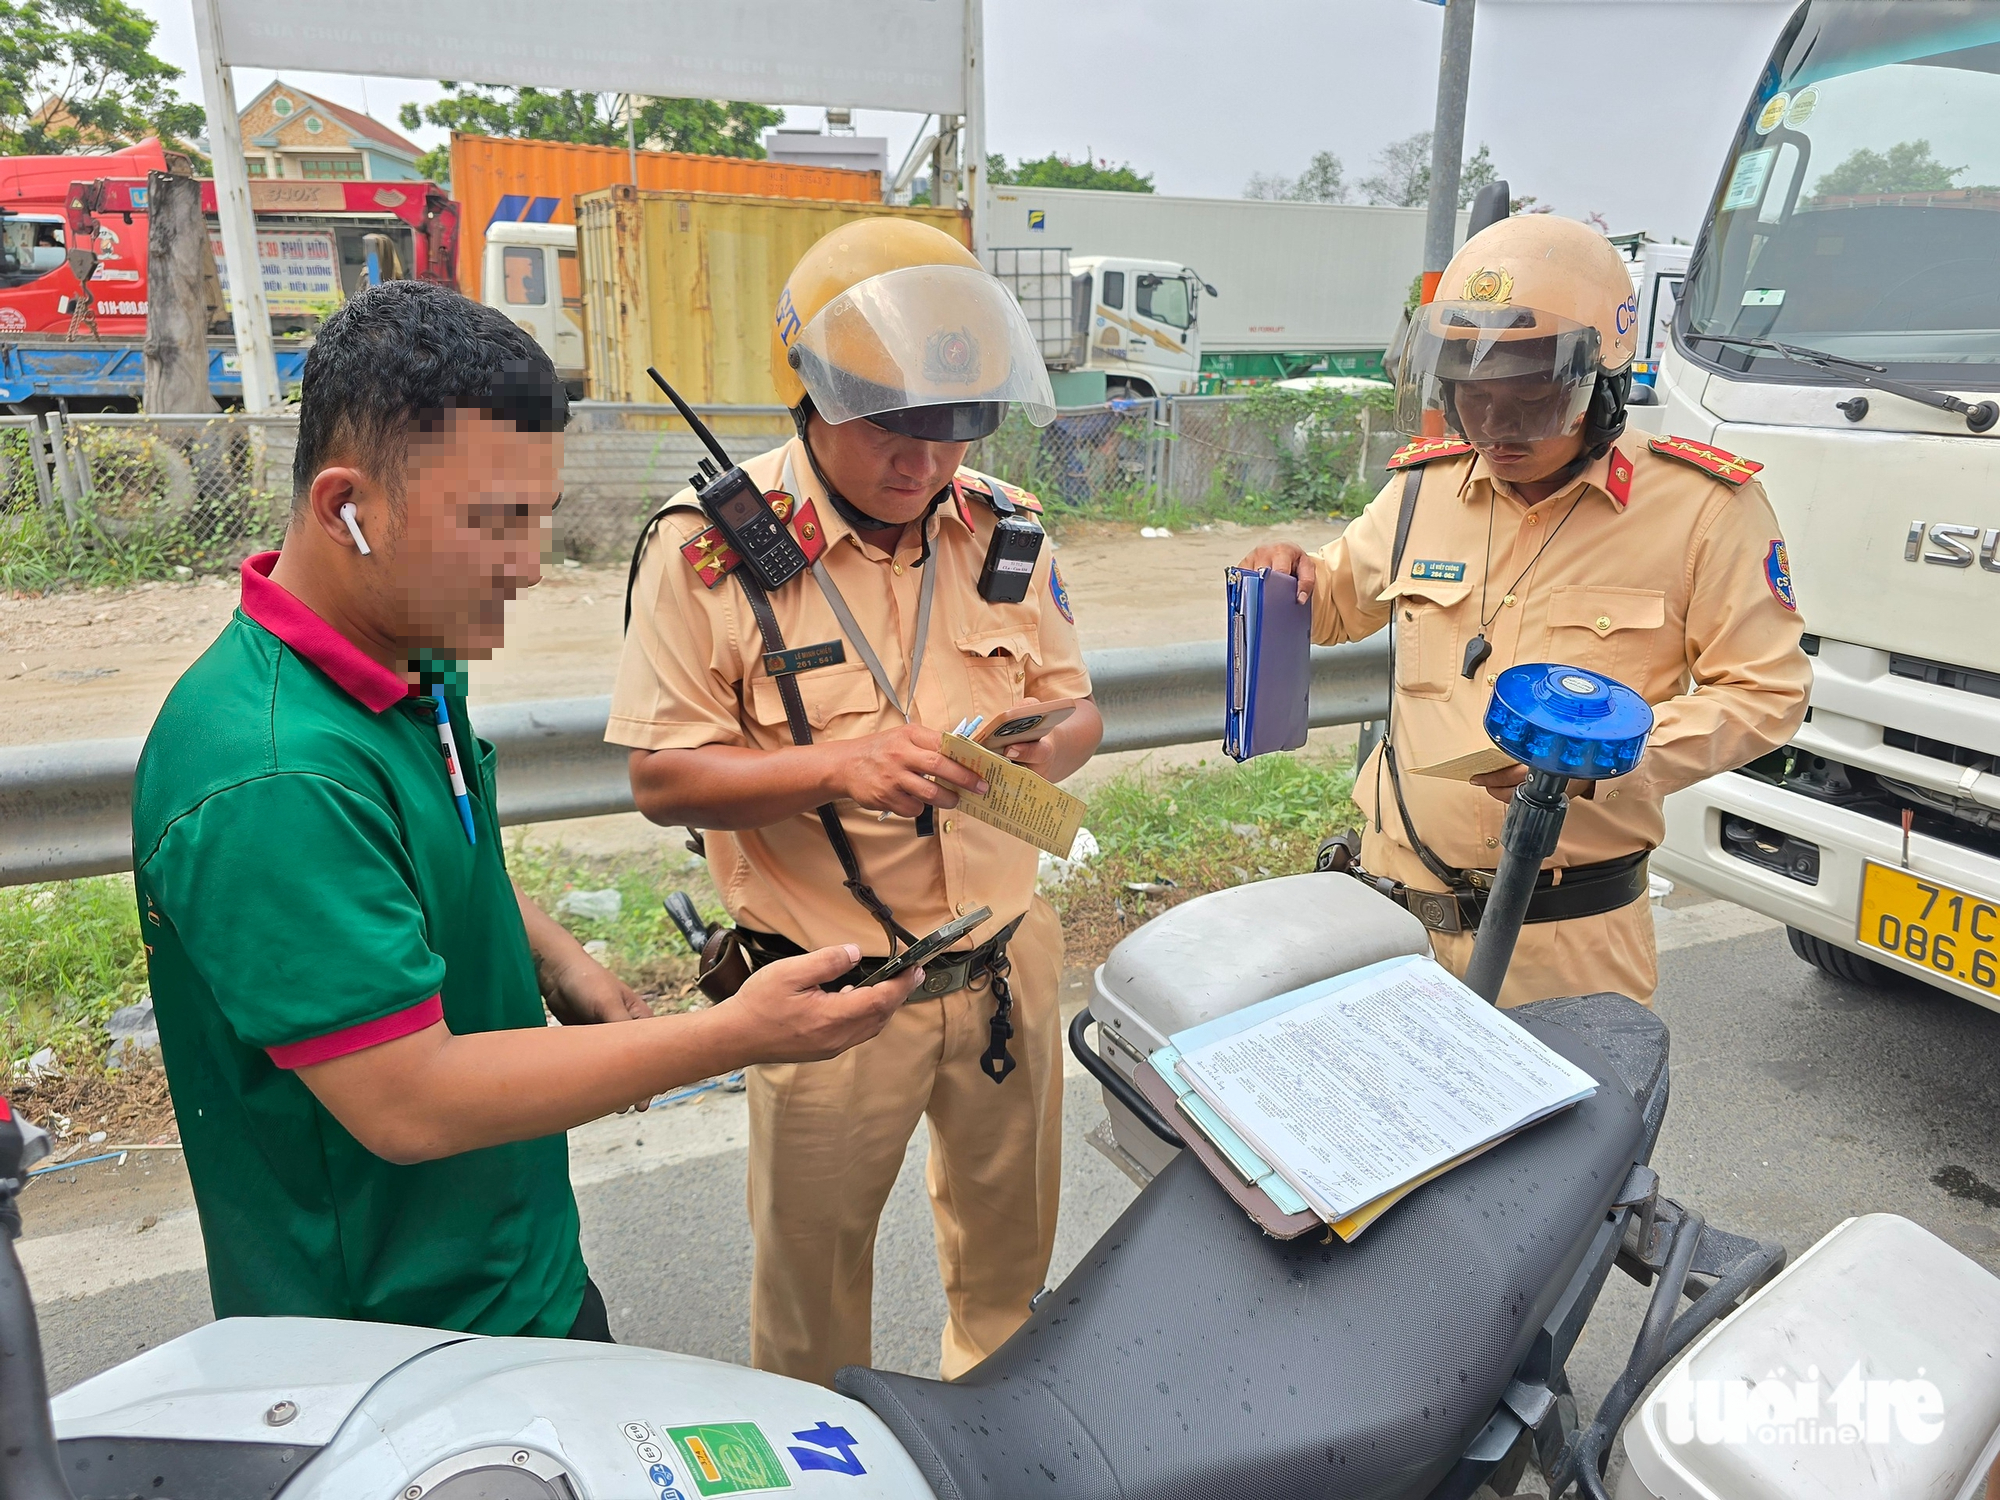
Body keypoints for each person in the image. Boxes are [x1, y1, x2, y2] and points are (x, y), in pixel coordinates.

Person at [131, 282, 918, 1342]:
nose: (530, 565)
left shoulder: (407, 661)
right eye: (492, 523)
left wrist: (548, 954)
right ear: (343, 508)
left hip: (516, 1264)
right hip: (389, 1335)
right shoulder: (273, 777)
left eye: (537, 519)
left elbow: (437, 850)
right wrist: (731, 1035)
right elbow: (410, 1101)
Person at [611, 219, 1104, 1386]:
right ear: (816, 392)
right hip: (824, 991)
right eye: (893, 427)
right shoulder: (707, 556)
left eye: (952, 429)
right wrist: (838, 768)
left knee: (1007, 1276)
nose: (922, 463)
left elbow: (1078, 713)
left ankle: (990, 1450)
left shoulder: (1003, 527)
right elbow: (659, 777)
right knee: (810, 1295)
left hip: (998, 963)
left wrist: (1022, 759)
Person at [1242, 214, 1810, 1007]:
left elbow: (1767, 692)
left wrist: (1599, 762)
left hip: (1565, 943)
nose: (1496, 431)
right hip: (1390, 922)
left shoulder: (1703, 511)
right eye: (1474, 399)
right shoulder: (1422, 490)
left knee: (1556, 1133)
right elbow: (1334, 607)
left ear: (1605, 387)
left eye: (1531, 399)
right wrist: (1291, 574)